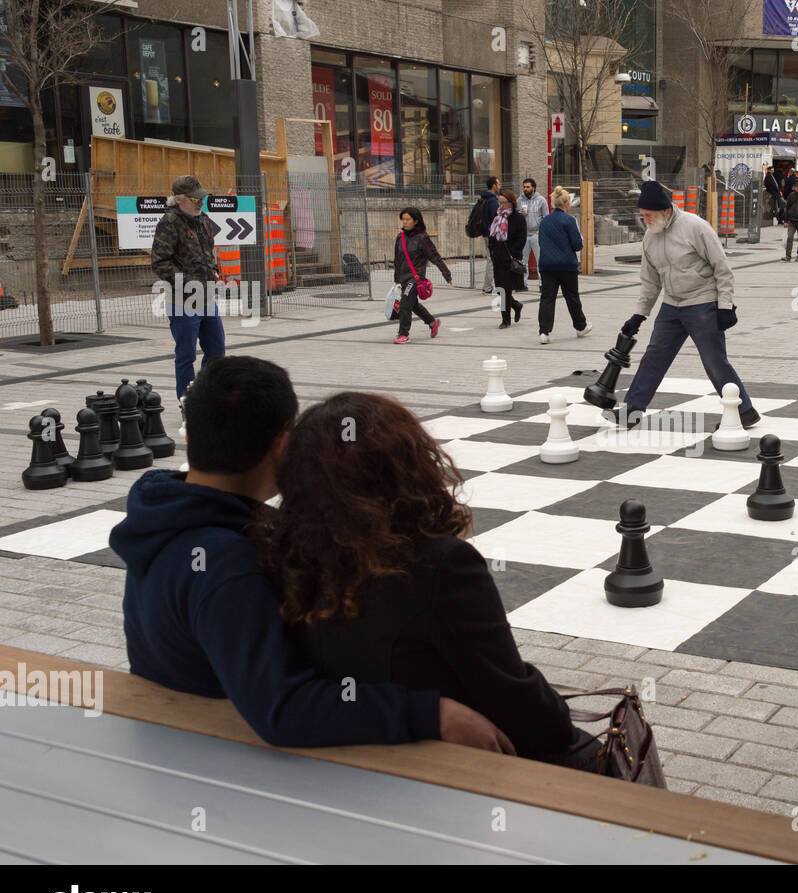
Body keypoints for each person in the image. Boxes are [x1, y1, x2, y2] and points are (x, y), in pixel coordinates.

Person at [108, 356, 513, 753]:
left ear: (190, 435)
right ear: (283, 444)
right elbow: (281, 710)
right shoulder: (224, 562)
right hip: (217, 765)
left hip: (171, 740)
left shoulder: (162, 516)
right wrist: (429, 713)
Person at [250, 392, 608, 771]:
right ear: (406, 467)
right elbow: (517, 701)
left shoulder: (280, 554)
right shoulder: (441, 566)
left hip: (343, 758)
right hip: (444, 768)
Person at [607, 180, 759, 430]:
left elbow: (722, 268)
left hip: (702, 302)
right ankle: (632, 411)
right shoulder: (650, 237)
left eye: (649, 215)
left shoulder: (695, 227)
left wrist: (725, 306)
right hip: (671, 305)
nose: (645, 220)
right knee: (654, 356)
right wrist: (639, 315)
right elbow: (650, 282)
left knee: (714, 361)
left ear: (665, 211)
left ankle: (744, 411)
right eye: (643, 215)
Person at [151, 175, 226, 401]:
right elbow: (159, 262)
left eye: (201, 198)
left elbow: (209, 251)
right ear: (179, 199)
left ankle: (207, 396)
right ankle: (187, 401)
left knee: (217, 352)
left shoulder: (203, 220)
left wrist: (213, 272)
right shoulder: (169, 222)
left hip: (207, 299)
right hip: (182, 302)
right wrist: (187, 285)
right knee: (186, 355)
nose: (199, 203)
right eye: (195, 199)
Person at [536, 186, 590, 344]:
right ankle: (581, 326)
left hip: (547, 265)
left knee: (547, 298)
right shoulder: (569, 220)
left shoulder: (545, 221)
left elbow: (541, 242)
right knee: (572, 297)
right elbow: (577, 245)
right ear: (566, 203)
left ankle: (544, 332)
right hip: (567, 265)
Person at [391, 206, 452, 344]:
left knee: (405, 303)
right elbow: (397, 259)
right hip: (404, 277)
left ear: (416, 221)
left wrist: (446, 274)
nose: (405, 222)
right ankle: (432, 322)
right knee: (413, 304)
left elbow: (434, 256)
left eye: (408, 219)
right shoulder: (399, 238)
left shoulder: (422, 238)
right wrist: (396, 279)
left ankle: (403, 334)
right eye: (403, 219)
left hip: (416, 278)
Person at [488, 188, 526, 329]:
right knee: (500, 288)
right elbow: (492, 237)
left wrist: (513, 253)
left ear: (511, 203)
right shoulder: (497, 218)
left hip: (510, 258)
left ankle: (506, 320)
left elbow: (521, 239)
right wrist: (492, 252)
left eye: (504, 203)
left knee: (505, 290)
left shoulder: (518, 218)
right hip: (498, 257)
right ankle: (516, 305)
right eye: (500, 202)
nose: (501, 205)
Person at [517, 178, 549, 291]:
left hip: (537, 234)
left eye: (528, 187)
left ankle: (542, 284)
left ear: (533, 188)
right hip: (524, 235)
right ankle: (522, 284)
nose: (525, 189)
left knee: (541, 260)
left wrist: (542, 233)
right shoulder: (519, 200)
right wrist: (520, 213)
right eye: (524, 187)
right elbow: (515, 216)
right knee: (522, 261)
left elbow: (546, 217)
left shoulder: (541, 200)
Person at [478, 176, 501, 293]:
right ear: (494, 186)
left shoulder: (485, 199)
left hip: (487, 233)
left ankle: (489, 286)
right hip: (491, 234)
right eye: (498, 183)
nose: (500, 186)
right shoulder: (492, 201)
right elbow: (496, 219)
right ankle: (487, 287)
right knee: (492, 260)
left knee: (491, 259)